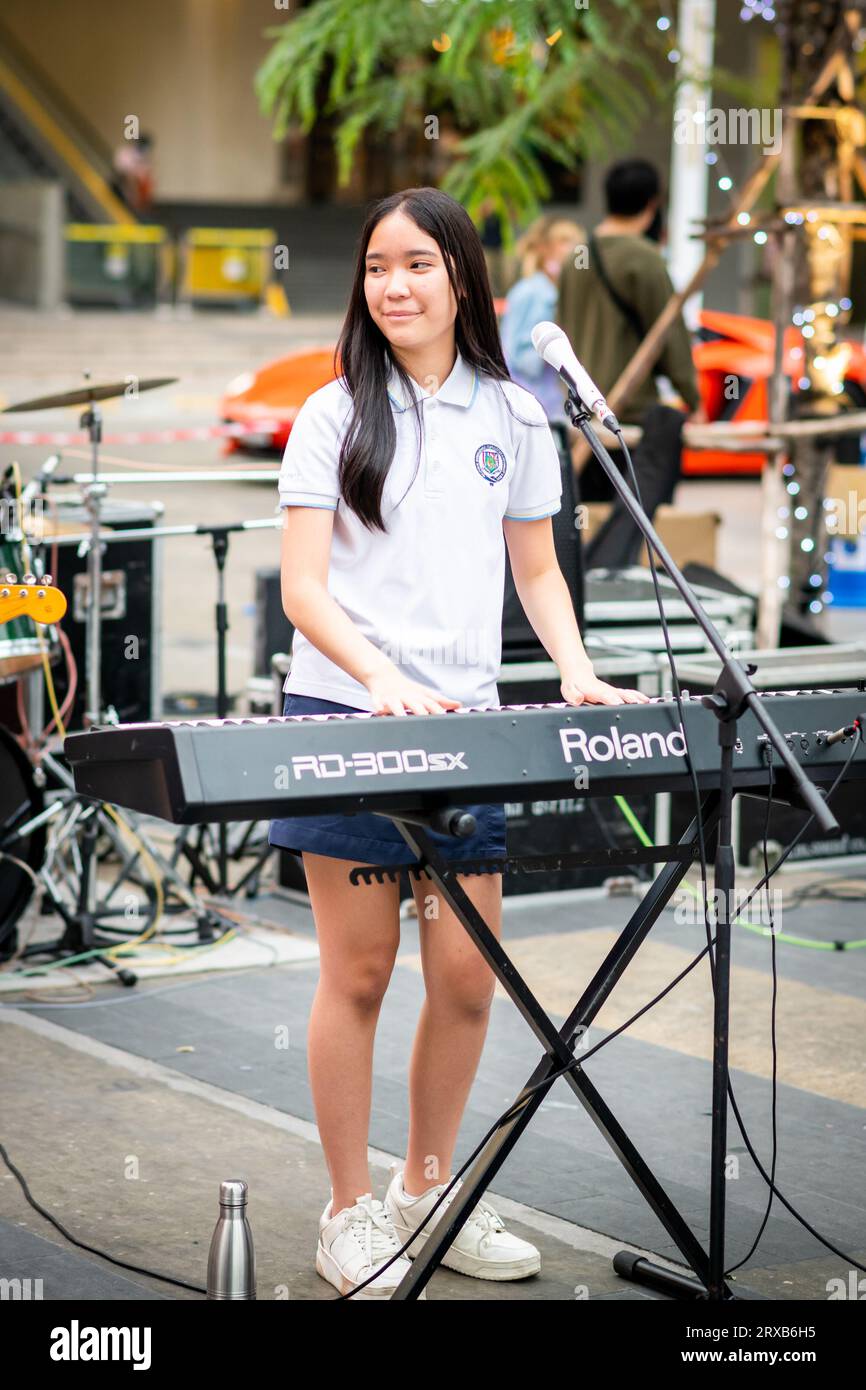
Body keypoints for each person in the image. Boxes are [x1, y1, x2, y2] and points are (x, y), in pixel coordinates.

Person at [267, 185, 650, 1299]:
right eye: (377, 267)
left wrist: (572, 668)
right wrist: (378, 677)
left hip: (468, 729)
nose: (392, 285)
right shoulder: (333, 412)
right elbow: (301, 588)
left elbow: (535, 565)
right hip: (347, 720)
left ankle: (425, 1191)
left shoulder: (515, 415)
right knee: (361, 971)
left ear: (463, 282)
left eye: (416, 266)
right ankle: (347, 1210)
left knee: (469, 981)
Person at [557, 159, 703, 568]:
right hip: (628, 422)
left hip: (582, 419)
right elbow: (670, 338)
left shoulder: (577, 256)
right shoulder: (645, 259)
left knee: (585, 526)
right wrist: (695, 398)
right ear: (654, 203)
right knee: (632, 537)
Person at [500, 213, 586, 423]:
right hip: (530, 401)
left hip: (545, 401)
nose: (574, 252)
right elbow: (520, 356)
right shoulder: (533, 292)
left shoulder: (550, 291)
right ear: (546, 249)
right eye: (565, 243)